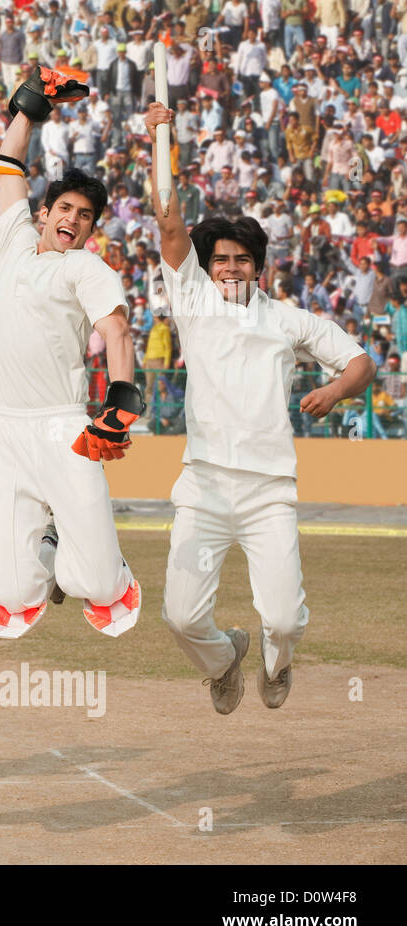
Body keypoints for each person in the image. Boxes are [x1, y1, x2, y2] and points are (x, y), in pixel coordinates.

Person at [144, 102, 376, 715]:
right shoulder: (193, 301)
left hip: (270, 488)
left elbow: (360, 363)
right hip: (205, 484)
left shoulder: (288, 320)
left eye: (241, 259)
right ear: (207, 266)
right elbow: (169, 222)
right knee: (179, 615)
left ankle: (279, 661)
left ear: (258, 266)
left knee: (284, 617)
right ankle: (225, 661)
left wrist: (333, 391)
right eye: (219, 258)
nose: (229, 268)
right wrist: (160, 136)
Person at [0, 65, 145, 640]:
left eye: (85, 217)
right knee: (8, 594)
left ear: (92, 231)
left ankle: (105, 569)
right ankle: (48, 544)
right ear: (43, 213)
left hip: (62, 426)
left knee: (100, 588)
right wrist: (31, 106)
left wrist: (119, 408)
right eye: (64, 209)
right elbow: (7, 168)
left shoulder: (86, 266)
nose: (72, 220)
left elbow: (118, 332)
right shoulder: (15, 241)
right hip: (3, 427)